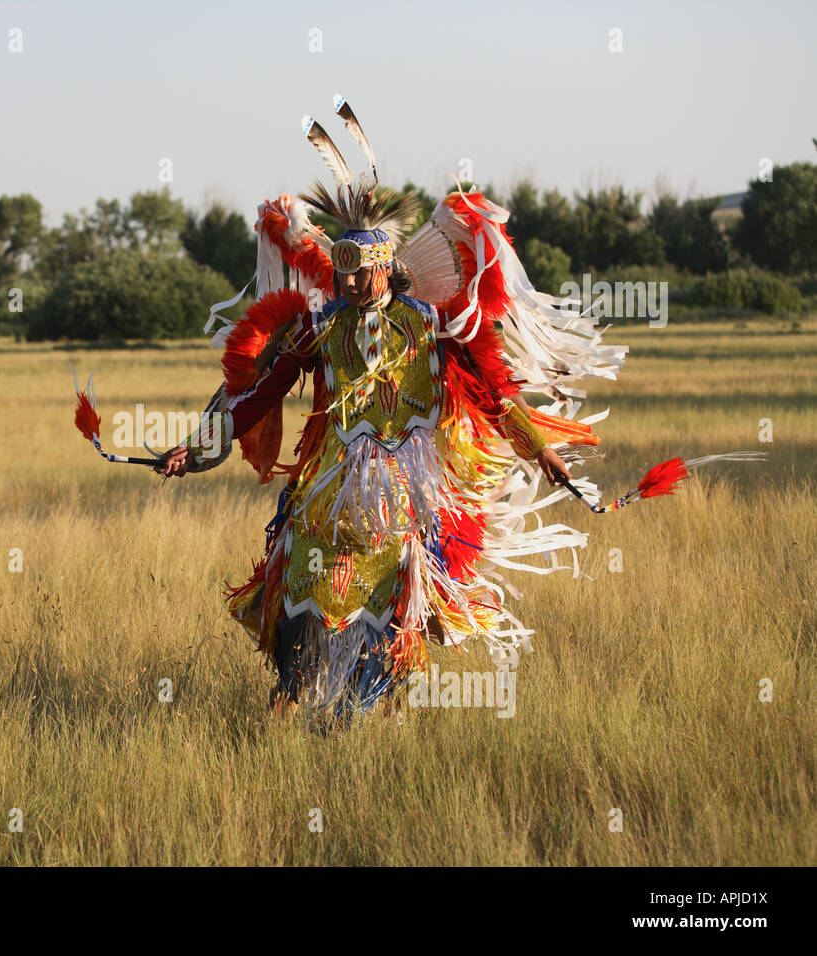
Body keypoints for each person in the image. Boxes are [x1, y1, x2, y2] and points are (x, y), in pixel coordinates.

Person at [154, 99, 626, 725]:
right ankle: (294, 688)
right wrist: (201, 447)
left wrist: (540, 450)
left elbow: (494, 392)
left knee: (393, 592)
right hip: (330, 478)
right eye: (339, 269)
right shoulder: (321, 327)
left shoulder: (430, 325)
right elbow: (261, 391)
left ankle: (360, 702)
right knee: (299, 568)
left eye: (357, 271)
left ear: (383, 267)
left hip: (407, 486)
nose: (344, 283)